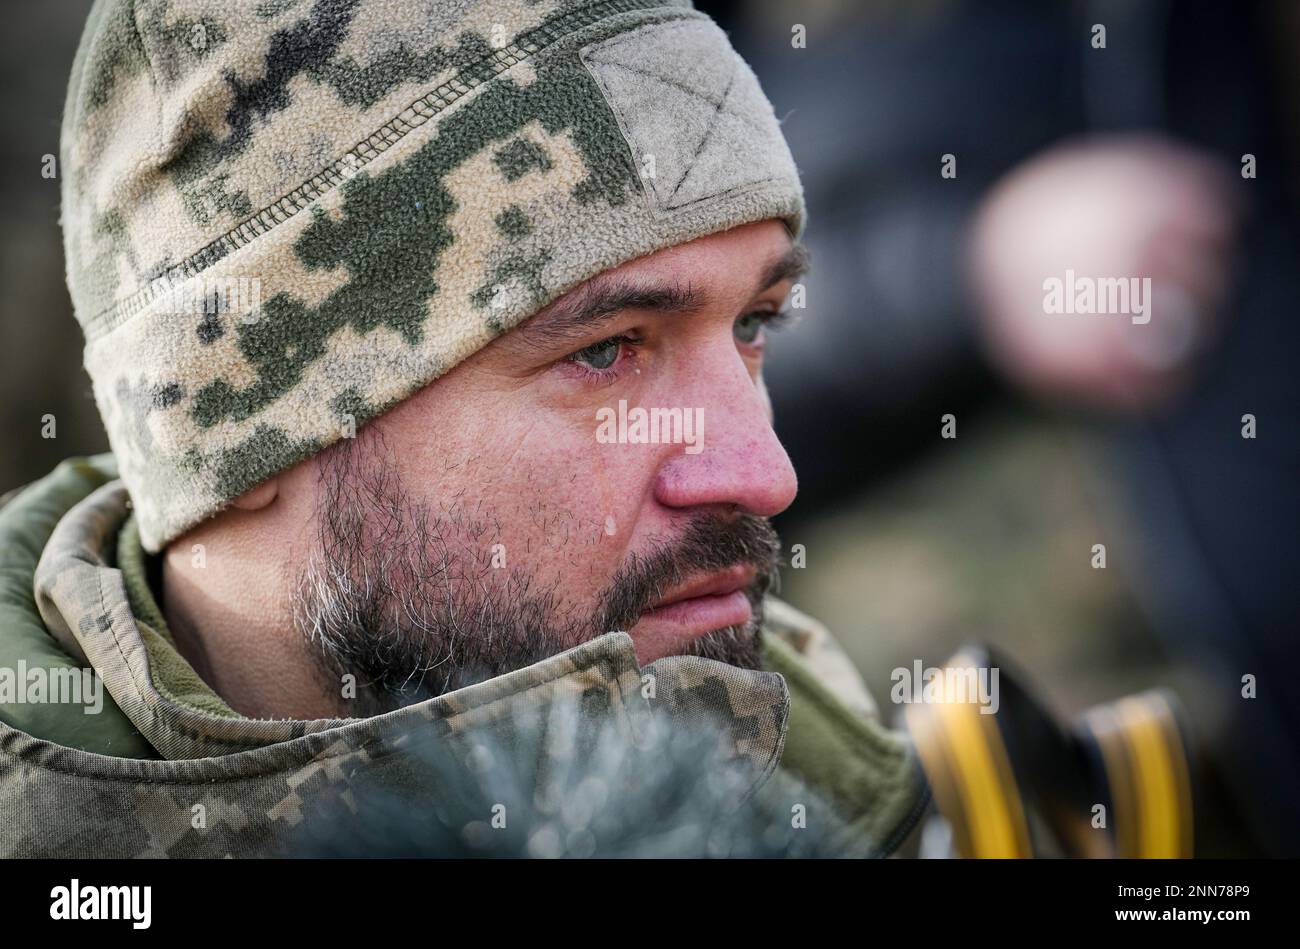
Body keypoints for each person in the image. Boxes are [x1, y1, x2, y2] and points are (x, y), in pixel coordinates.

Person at [0, 0, 928, 857]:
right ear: (221, 420)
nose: (765, 472)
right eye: (606, 353)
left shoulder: (891, 801)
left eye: (753, 325)